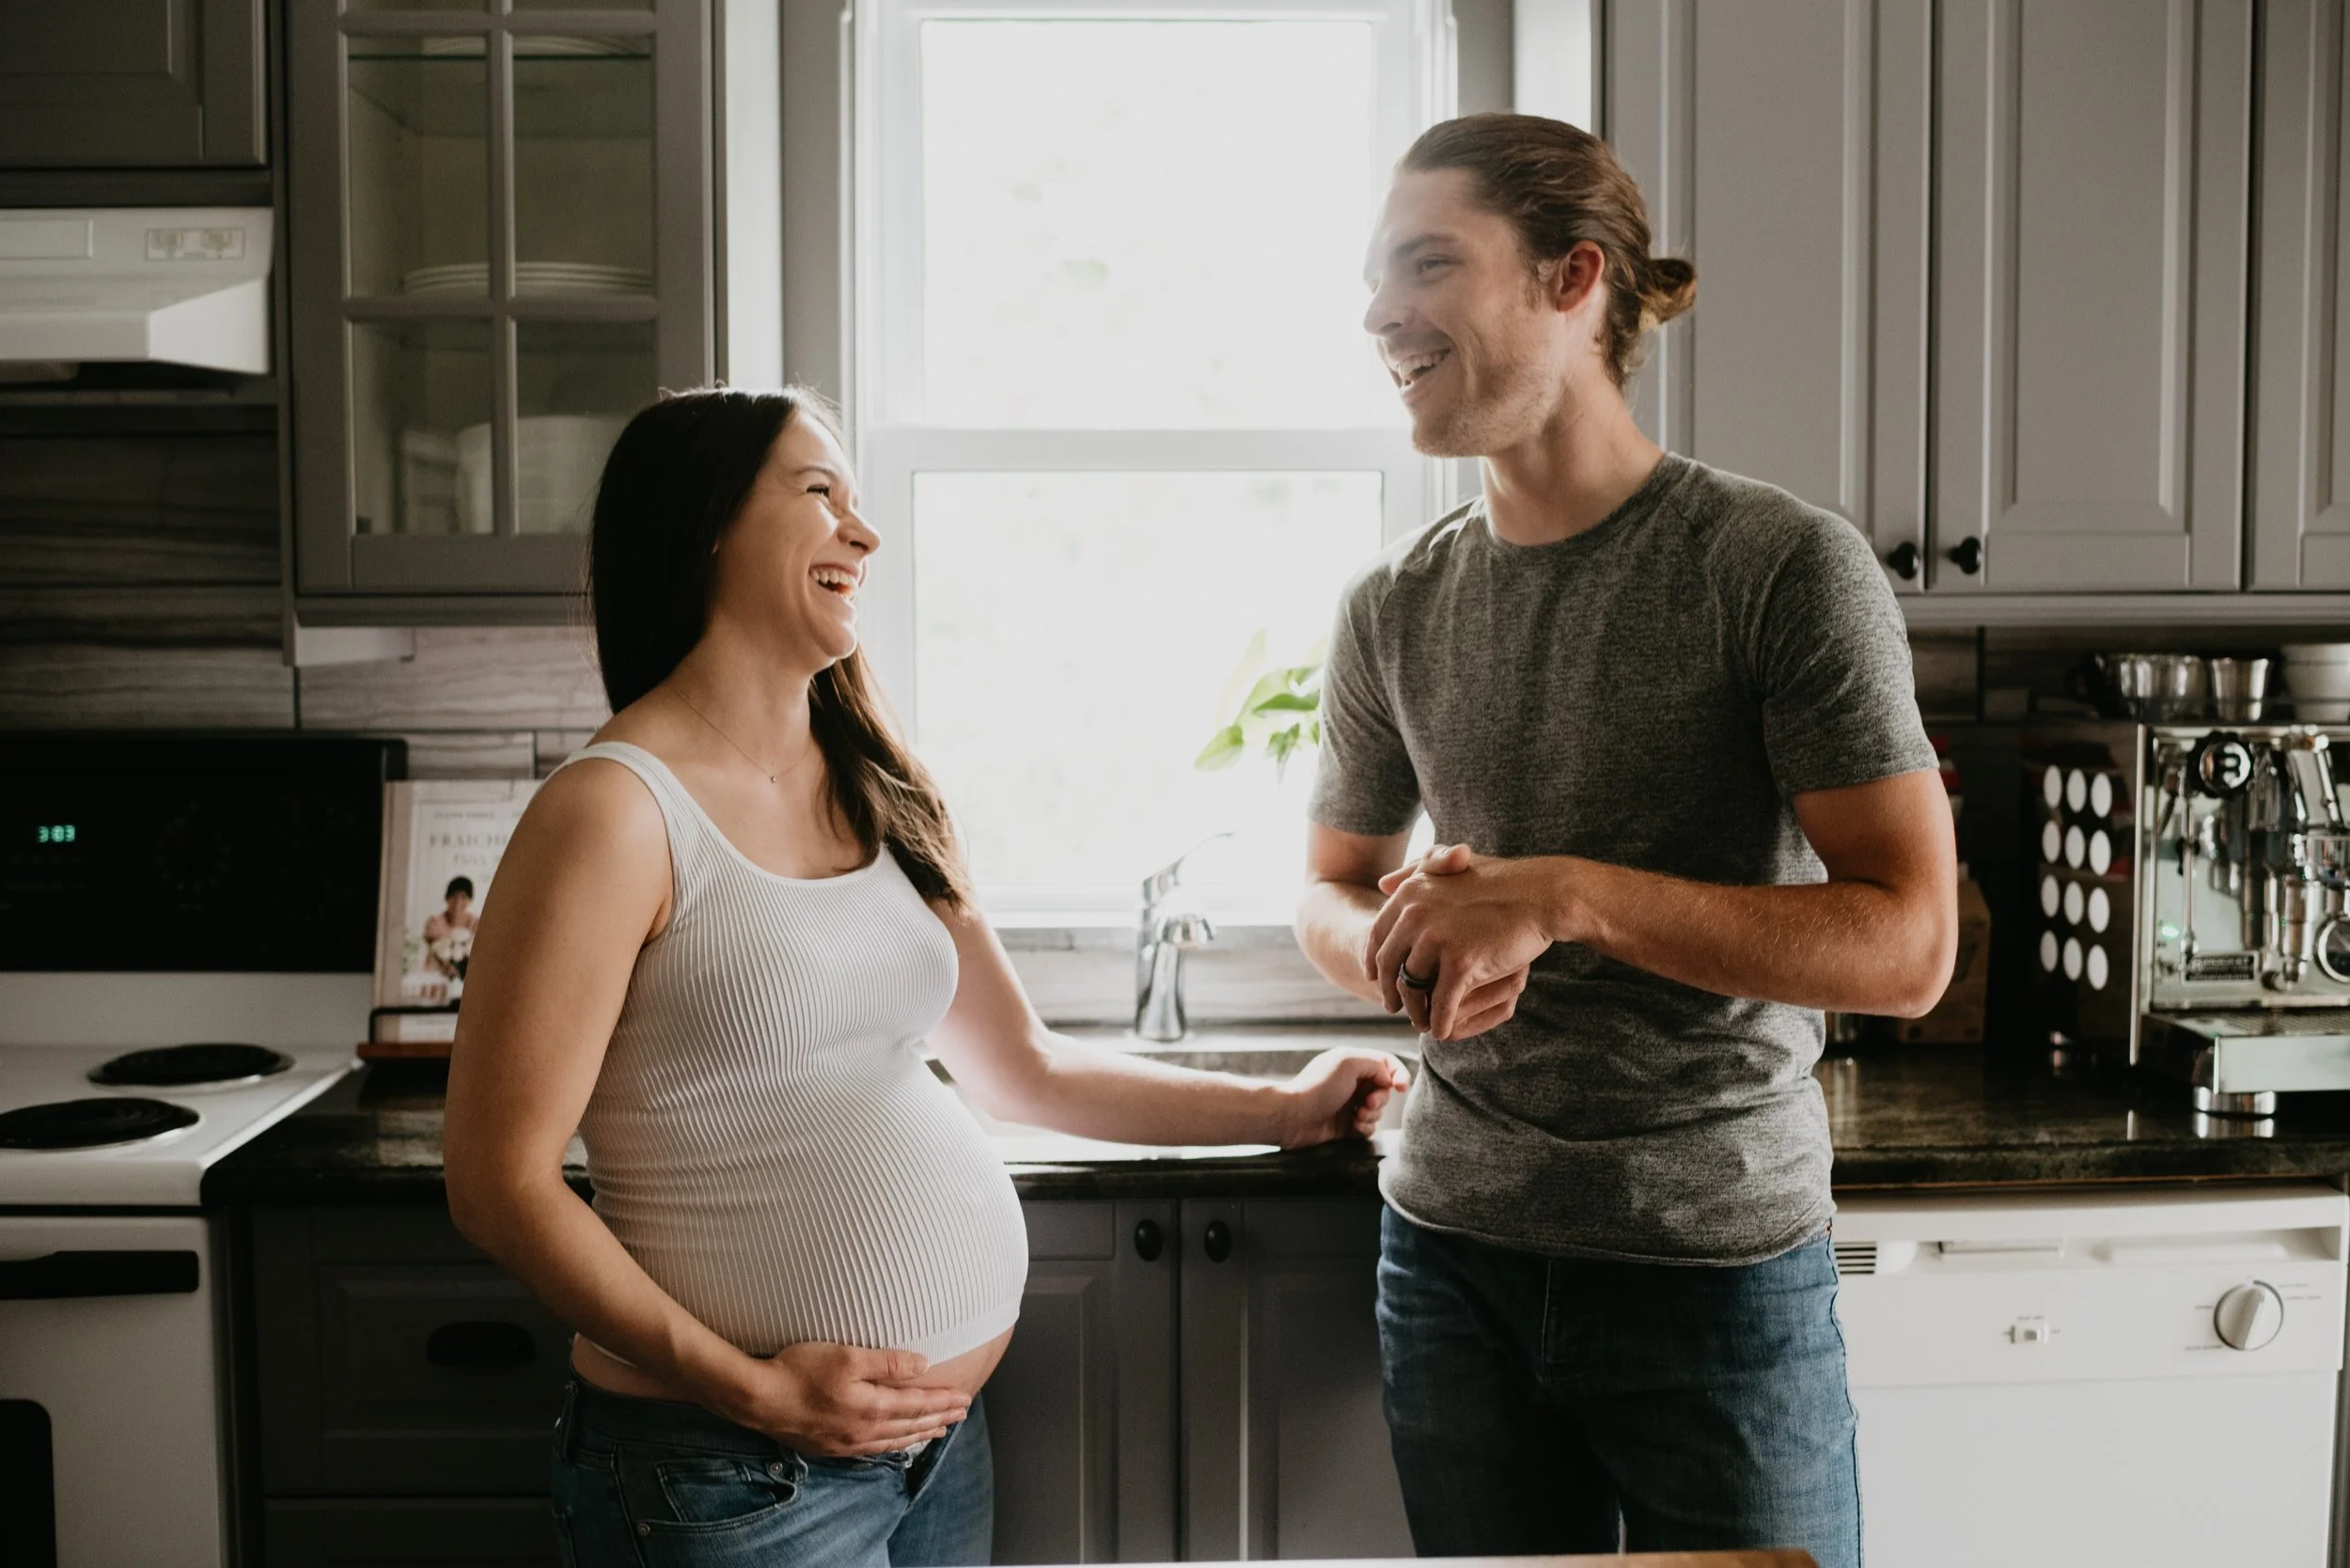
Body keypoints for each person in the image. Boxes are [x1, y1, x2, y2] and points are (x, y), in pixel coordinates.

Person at [443, 387, 1408, 1568]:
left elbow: (1022, 1069)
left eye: (858, 498)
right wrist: (749, 1389)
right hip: (723, 1470)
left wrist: (1286, 1107)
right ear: (705, 526)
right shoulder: (610, 813)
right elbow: (497, 1183)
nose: (864, 533)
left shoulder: (872, 777)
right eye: (818, 496)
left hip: (936, 1453)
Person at [1292, 114, 1957, 1567]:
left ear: (1572, 277)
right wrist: (1397, 942)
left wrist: (1572, 898)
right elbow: (1331, 887)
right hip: (1450, 1257)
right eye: (1372, 275)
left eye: (1426, 264)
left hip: (1712, 1270)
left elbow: (1909, 948)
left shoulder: (1777, 567)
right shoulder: (1390, 607)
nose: (1379, 313)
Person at [420, 875, 477, 982]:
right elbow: (433, 950)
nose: (458, 902)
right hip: (435, 978)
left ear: (470, 900)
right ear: (447, 898)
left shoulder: (476, 924)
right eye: (454, 896)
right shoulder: (434, 923)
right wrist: (446, 967)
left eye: (464, 897)